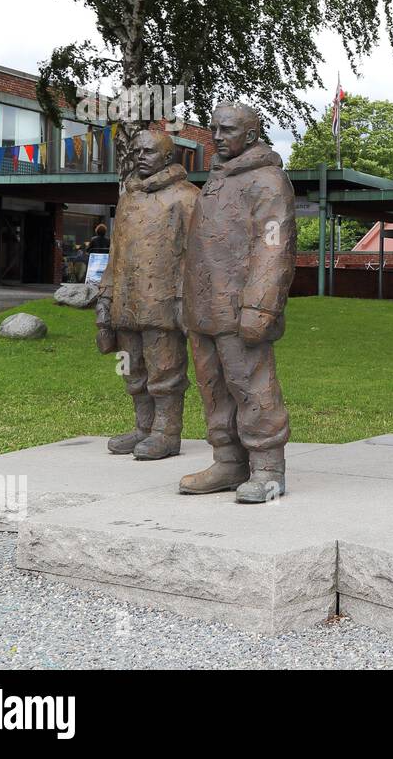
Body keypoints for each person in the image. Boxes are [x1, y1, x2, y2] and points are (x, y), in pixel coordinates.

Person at [178, 102, 298, 504]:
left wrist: (261, 306)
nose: (216, 136)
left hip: (242, 306)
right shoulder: (215, 180)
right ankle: (227, 460)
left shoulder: (268, 181)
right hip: (204, 305)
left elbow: (274, 246)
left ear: (250, 135)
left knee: (251, 384)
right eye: (213, 128)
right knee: (212, 385)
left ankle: (267, 467)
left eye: (226, 130)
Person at [95, 130, 199, 460]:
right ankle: (143, 427)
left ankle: (166, 432)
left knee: (165, 371)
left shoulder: (187, 197)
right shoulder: (127, 196)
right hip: (126, 299)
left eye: (149, 151)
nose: (140, 156)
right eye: (136, 150)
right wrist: (106, 295)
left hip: (164, 301)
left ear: (168, 157)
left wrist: (184, 298)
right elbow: (116, 250)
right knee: (131, 368)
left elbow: (195, 254)